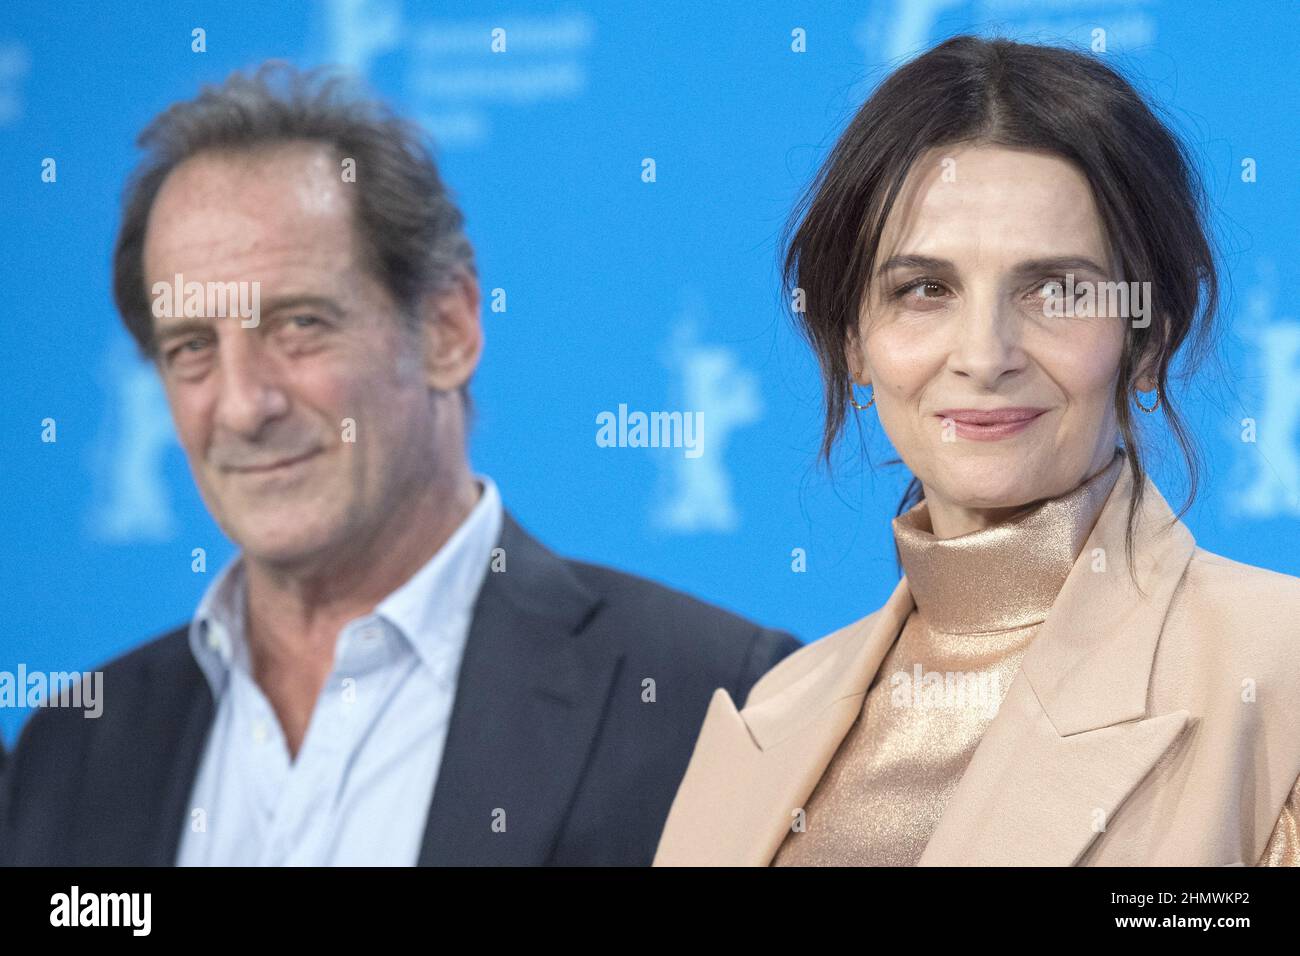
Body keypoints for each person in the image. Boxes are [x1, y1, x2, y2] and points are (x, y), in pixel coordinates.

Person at [0, 63, 799, 866]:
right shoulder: (70, 753)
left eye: (298, 324)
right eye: (192, 348)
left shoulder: (711, 704)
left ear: (447, 329)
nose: (244, 405)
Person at [654, 35, 1300, 867]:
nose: (985, 354)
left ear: (1149, 337)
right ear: (854, 342)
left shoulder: (1275, 673)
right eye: (925, 290)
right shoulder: (778, 708)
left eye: (1056, 290)